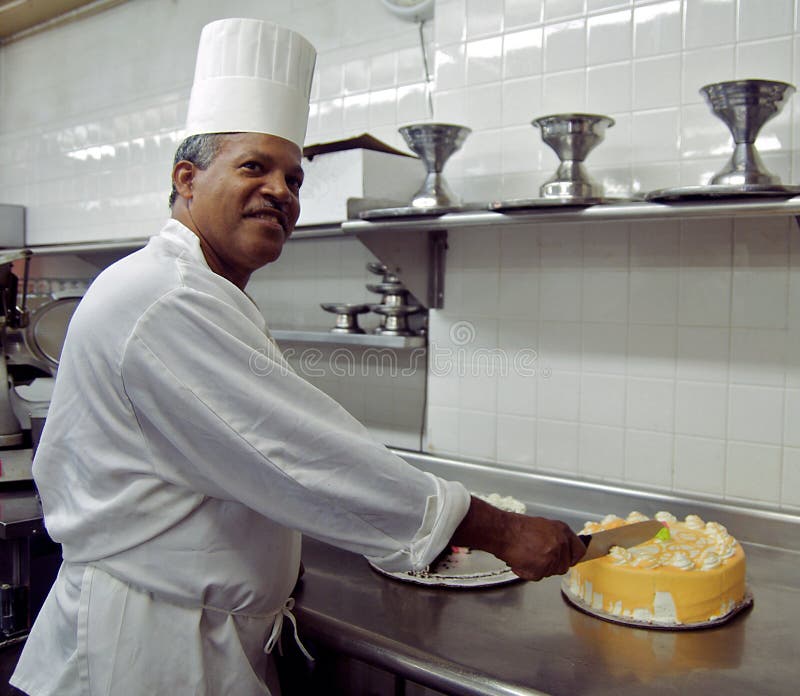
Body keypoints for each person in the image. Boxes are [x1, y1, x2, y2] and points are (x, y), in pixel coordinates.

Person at [11, 18, 584, 696]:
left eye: (293, 178)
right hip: (146, 650)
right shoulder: (165, 297)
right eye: (254, 167)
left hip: (193, 629)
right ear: (187, 179)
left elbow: (242, 460)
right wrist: (503, 530)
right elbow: (298, 453)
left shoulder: (199, 289)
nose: (282, 191)